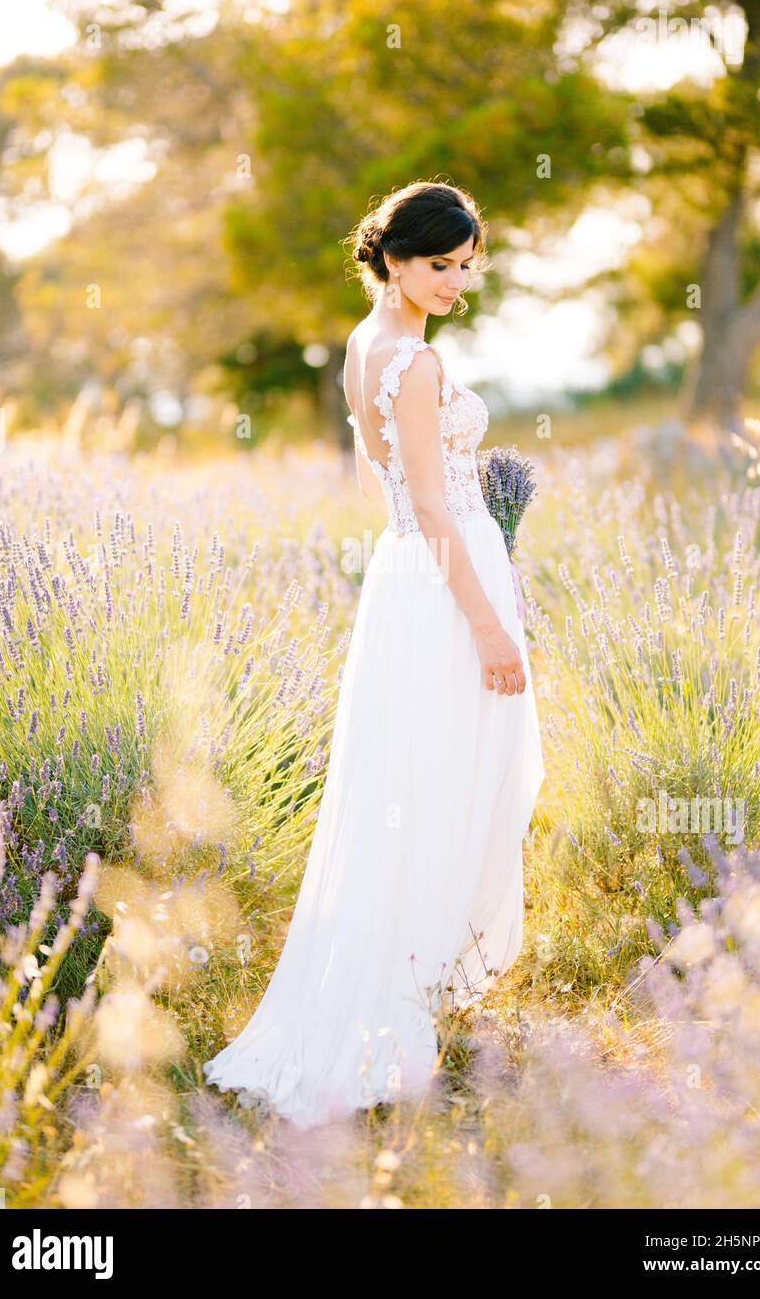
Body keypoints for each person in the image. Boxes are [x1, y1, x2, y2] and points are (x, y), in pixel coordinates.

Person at [203, 181, 545, 1128]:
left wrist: (436, 549)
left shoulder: (363, 347)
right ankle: (404, 999)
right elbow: (436, 505)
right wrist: (485, 617)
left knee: (410, 781)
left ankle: (403, 981)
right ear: (395, 257)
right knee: (446, 779)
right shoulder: (419, 366)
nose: (457, 283)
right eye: (442, 264)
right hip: (442, 583)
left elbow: (381, 482)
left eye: (467, 266)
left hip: (405, 579)